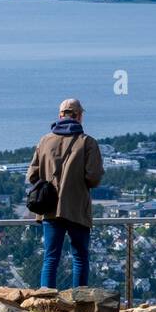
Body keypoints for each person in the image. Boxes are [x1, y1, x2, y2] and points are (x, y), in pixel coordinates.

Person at [29, 98, 105, 288]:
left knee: (51, 257)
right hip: (76, 208)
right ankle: (80, 304)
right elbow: (94, 178)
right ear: (79, 116)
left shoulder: (45, 141)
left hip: (49, 208)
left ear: (60, 115)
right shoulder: (87, 143)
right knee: (80, 257)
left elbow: (32, 175)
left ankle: (46, 305)